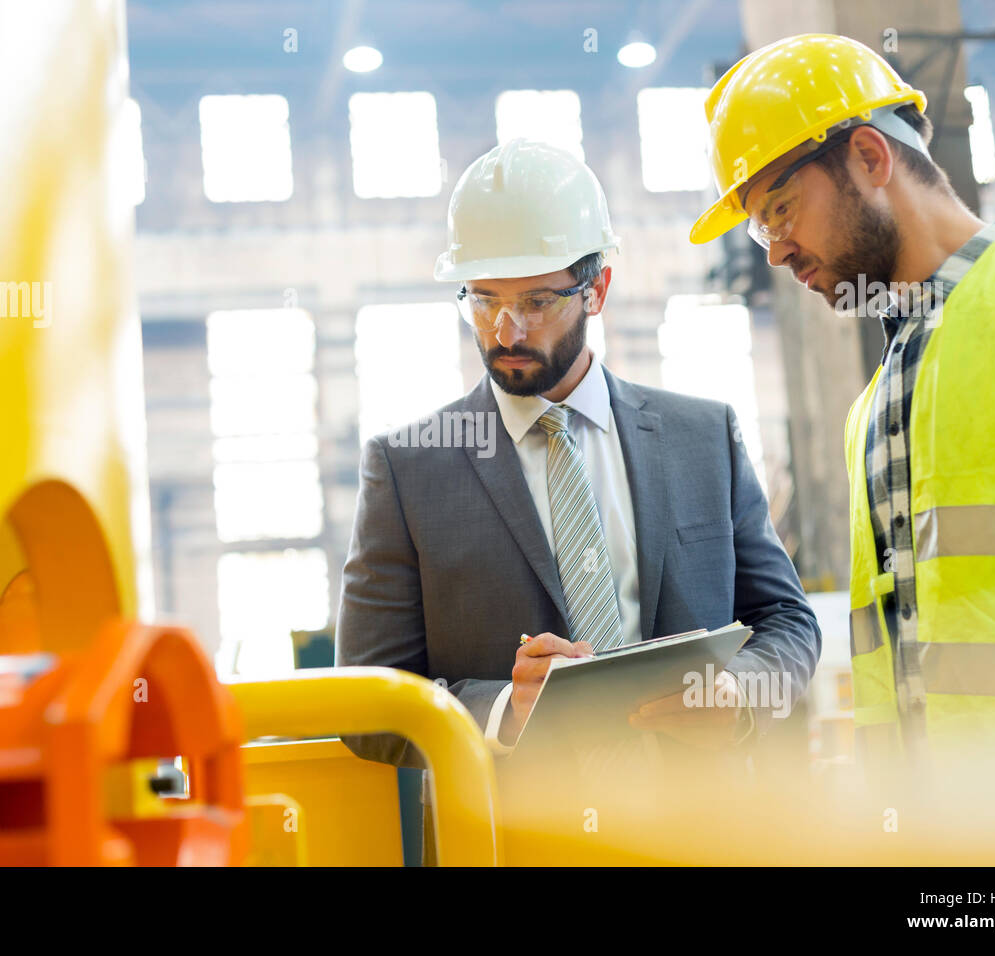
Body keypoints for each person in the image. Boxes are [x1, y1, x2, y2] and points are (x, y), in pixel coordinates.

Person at [337, 137, 820, 770]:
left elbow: (786, 619)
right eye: (484, 300)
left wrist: (739, 694)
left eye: (537, 301)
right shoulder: (408, 469)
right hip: (511, 842)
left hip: (705, 834)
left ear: (597, 290)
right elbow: (367, 705)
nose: (506, 330)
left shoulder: (703, 438)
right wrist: (506, 708)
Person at [690, 33, 995, 766]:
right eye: (760, 227)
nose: (774, 252)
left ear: (870, 159)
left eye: (781, 209)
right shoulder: (869, 412)